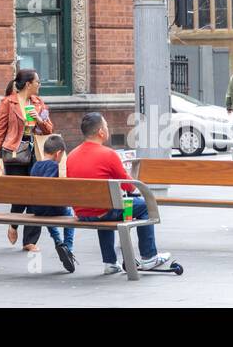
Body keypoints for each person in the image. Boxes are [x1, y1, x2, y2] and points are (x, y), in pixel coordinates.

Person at [65, 112, 172, 274]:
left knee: (104, 205)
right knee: (145, 206)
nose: (108, 128)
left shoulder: (71, 155)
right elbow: (130, 187)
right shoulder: (108, 154)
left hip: (82, 212)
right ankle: (149, 256)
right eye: (106, 126)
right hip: (104, 211)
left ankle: (110, 262)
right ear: (101, 132)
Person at [0, 69, 54, 250]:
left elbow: (49, 129)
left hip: (35, 154)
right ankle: (14, 223)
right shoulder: (8, 103)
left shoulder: (39, 103)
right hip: (14, 153)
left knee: (37, 196)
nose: (39, 85)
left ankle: (30, 241)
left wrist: (39, 120)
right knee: (20, 197)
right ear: (28, 84)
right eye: (37, 82)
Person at [21, 134, 77, 273]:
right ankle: (68, 248)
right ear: (58, 154)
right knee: (69, 213)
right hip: (53, 207)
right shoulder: (53, 165)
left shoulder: (35, 166)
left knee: (46, 213)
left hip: (38, 209)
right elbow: (49, 187)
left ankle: (58, 240)